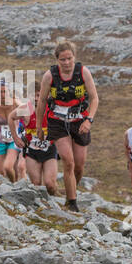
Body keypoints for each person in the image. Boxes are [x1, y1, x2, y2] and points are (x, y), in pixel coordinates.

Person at [34, 40, 99, 212]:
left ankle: (73, 189)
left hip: (80, 121)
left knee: (79, 165)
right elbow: (41, 102)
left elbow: (94, 98)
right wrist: (40, 127)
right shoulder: (50, 76)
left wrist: (89, 120)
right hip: (57, 121)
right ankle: (71, 202)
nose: (67, 63)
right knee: (68, 162)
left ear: (74, 57)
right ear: (57, 60)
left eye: (69, 58)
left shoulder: (83, 72)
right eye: (62, 59)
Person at [10, 95, 59, 194]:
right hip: (31, 151)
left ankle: (53, 198)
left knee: (50, 184)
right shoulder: (25, 109)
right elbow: (10, 117)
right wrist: (15, 137)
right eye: (34, 95)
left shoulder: (52, 108)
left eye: (38, 95)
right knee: (36, 184)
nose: (36, 98)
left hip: (49, 150)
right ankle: (42, 205)